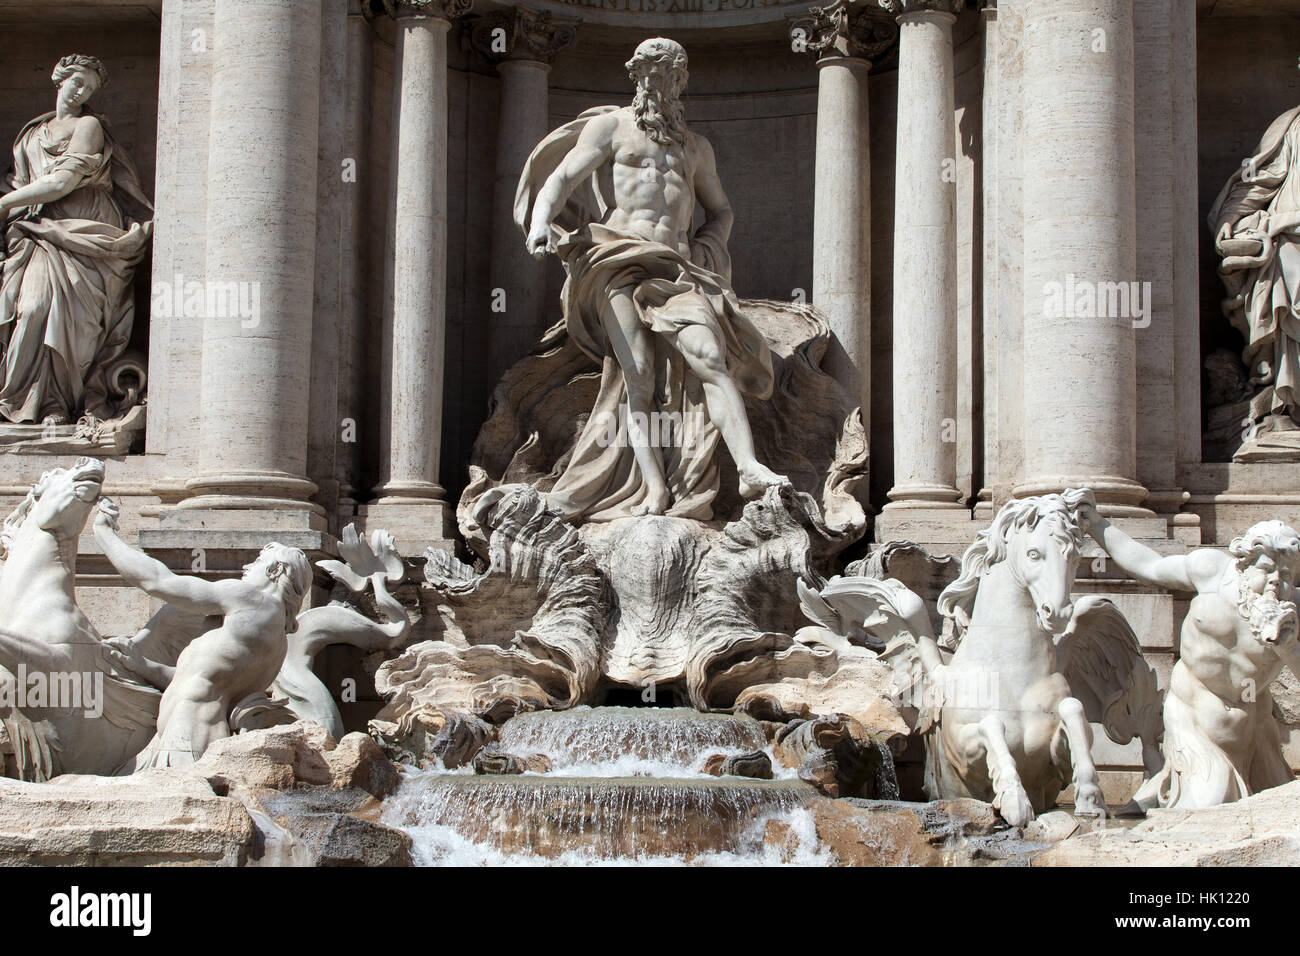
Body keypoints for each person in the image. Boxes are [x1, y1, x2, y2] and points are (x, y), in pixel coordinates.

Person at [517, 37, 786, 521]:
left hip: (679, 269)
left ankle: (748, 468)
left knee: (709, 356)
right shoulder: (611, 128)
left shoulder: (695, 147)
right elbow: (561, 178)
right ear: (634, 77)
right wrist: (540, 222)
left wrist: (708, 249)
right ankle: (656, 491)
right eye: (647, 73)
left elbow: (721, 210)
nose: (655, 82)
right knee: (637, 375)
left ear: (680, 81)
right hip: (617, 258)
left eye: (666, 75)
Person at [1080, 501, 1300, 810]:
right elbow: (1148, 565)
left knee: (1277, 811)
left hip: (1254, 730)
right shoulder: (1212, 571)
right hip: (1192, 718)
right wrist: (1097, 525)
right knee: (1208, 806)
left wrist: (1289, 648)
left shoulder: (1295, 612)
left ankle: (1158, 789)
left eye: (1287, 574)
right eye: (1266, 569)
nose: (1278, 581)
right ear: (1245, 564)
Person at [92, 497, 312, 769]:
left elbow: (158, 581)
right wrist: (141, 665)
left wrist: (103, 534)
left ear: (275, 569)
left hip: (186, 738)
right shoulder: (278, 643)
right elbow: (197, 679)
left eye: (256, 562)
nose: (245, 568)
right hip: (186, 737)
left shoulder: (251, 599)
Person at [0, 54, 152, 425]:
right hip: (38, 231)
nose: (81, 91)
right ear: (59, 79)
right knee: (32, 308)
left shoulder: (89, 127)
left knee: (72, 322)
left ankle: (56, 404)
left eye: (89, 88)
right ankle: (22, 401)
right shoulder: (31, 134)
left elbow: (61, 181)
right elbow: (23, 181)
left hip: (86, 229)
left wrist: (4, 203)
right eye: (77, 82)